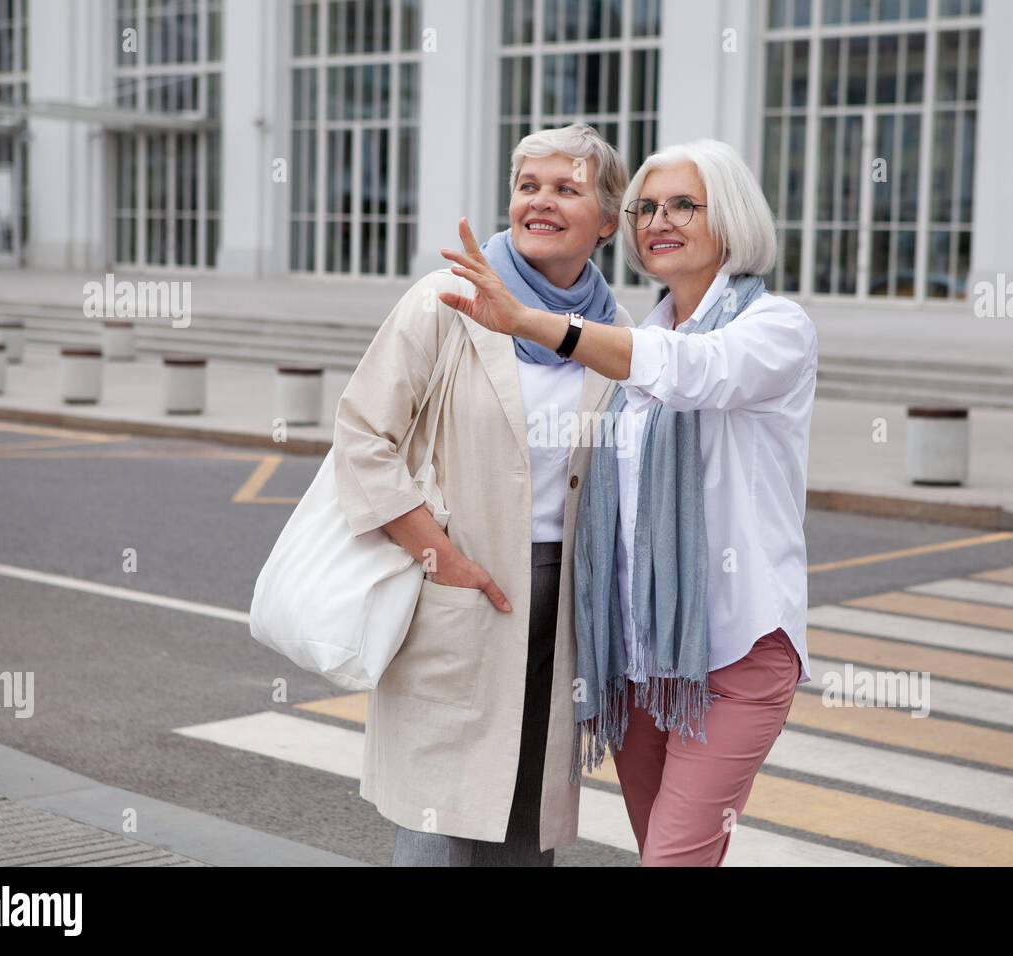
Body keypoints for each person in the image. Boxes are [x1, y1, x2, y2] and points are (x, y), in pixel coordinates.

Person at [436, 138, 817, 867]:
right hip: (643, 657)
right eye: (645, 206)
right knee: (668, 854)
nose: (657, 219)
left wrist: (531, 321)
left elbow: (692, 373)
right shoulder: (639, 333)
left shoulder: (776, 329)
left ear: (730, 218)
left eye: (681, 205)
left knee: (671, 859)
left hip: (735, 648)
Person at [333, 123, 632, 866]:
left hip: (565, 605)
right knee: (438, 825)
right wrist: (439, 557)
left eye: (566, 188)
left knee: (525, 827)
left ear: (605, 220)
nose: (541, 202)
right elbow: (362, 435)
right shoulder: (446, 299)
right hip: (463, 585)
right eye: (529, 186)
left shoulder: (615, 330)